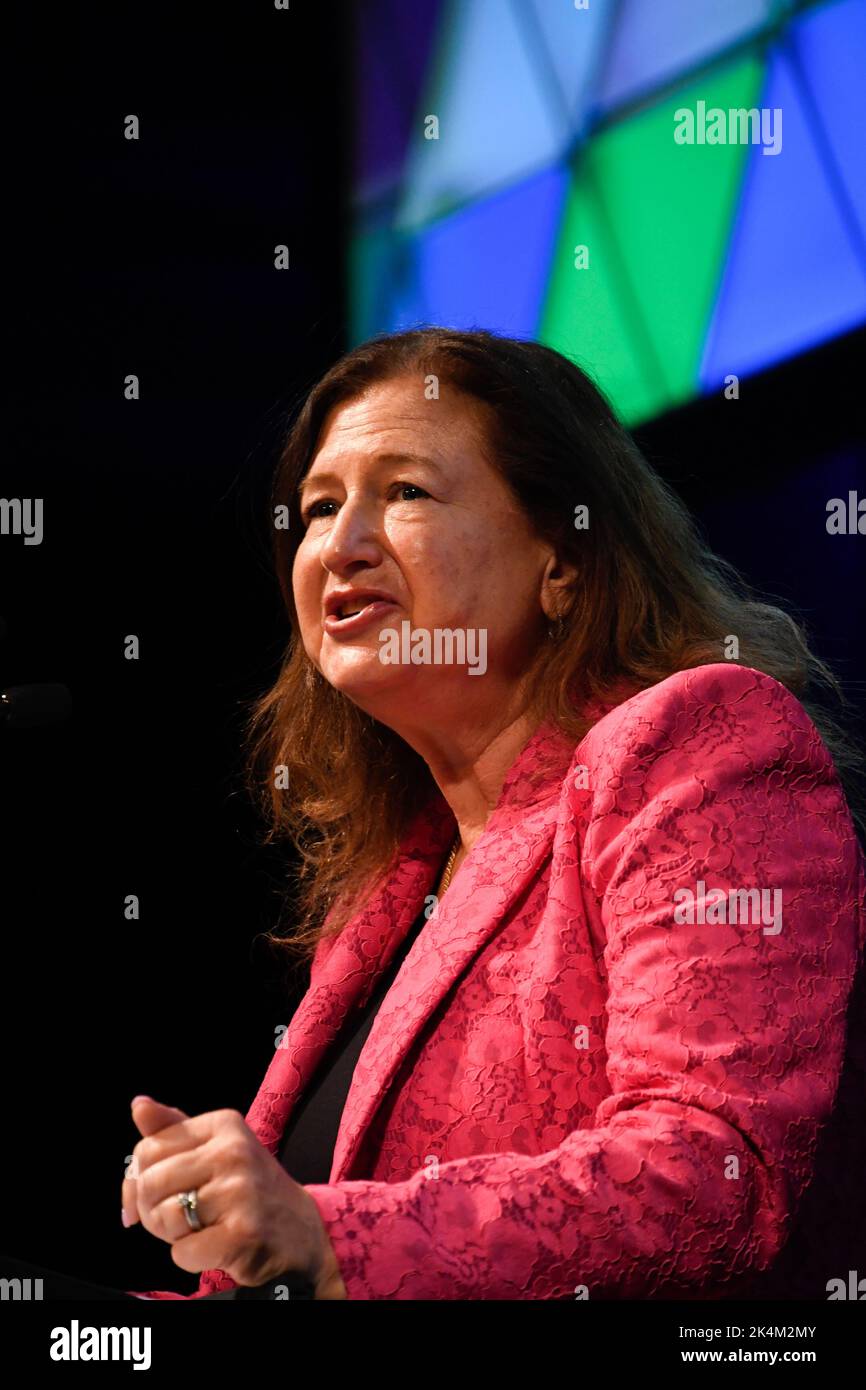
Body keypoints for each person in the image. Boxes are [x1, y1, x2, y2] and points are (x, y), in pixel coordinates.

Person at [121, 328, 865, 1301]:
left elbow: (710, 1177)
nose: (340, 545)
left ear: (559, 558)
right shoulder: (392, 888)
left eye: (405, 493)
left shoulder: (700, 744)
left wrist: (324, 1232)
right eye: (316, 507)